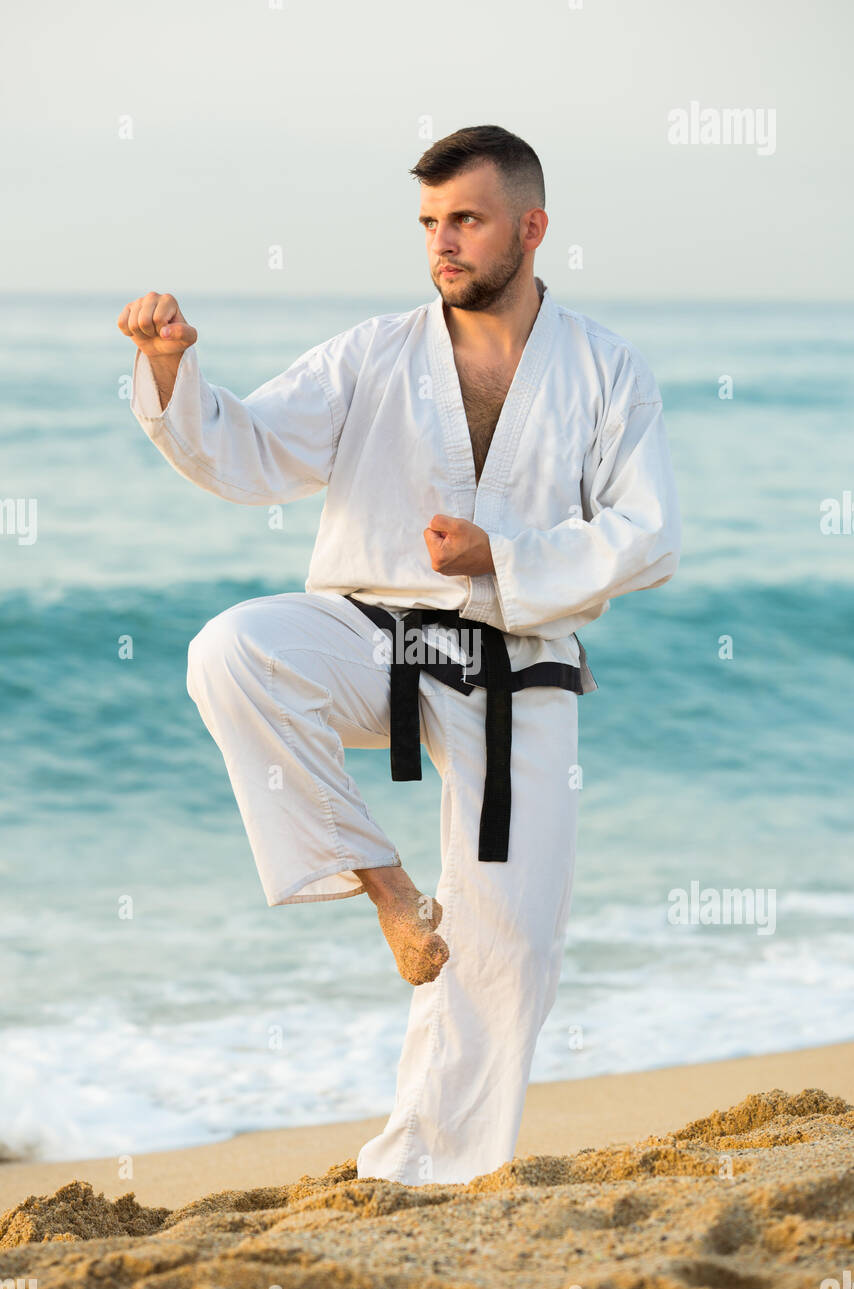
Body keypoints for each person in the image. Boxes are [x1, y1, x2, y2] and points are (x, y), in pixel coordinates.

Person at [117, 124, 681, 1186]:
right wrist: (169, 373)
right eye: (428, 223)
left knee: (510, 947)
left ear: (531, 225)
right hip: (376, 636)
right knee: (231, 648)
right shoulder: (371, 353)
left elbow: (645, 536)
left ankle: (427, 1168)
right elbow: (247, 450)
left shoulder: (606, 369)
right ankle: (388, 889)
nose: (443, 243)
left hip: (517, 664)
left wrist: (499, 556)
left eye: (464, 219)